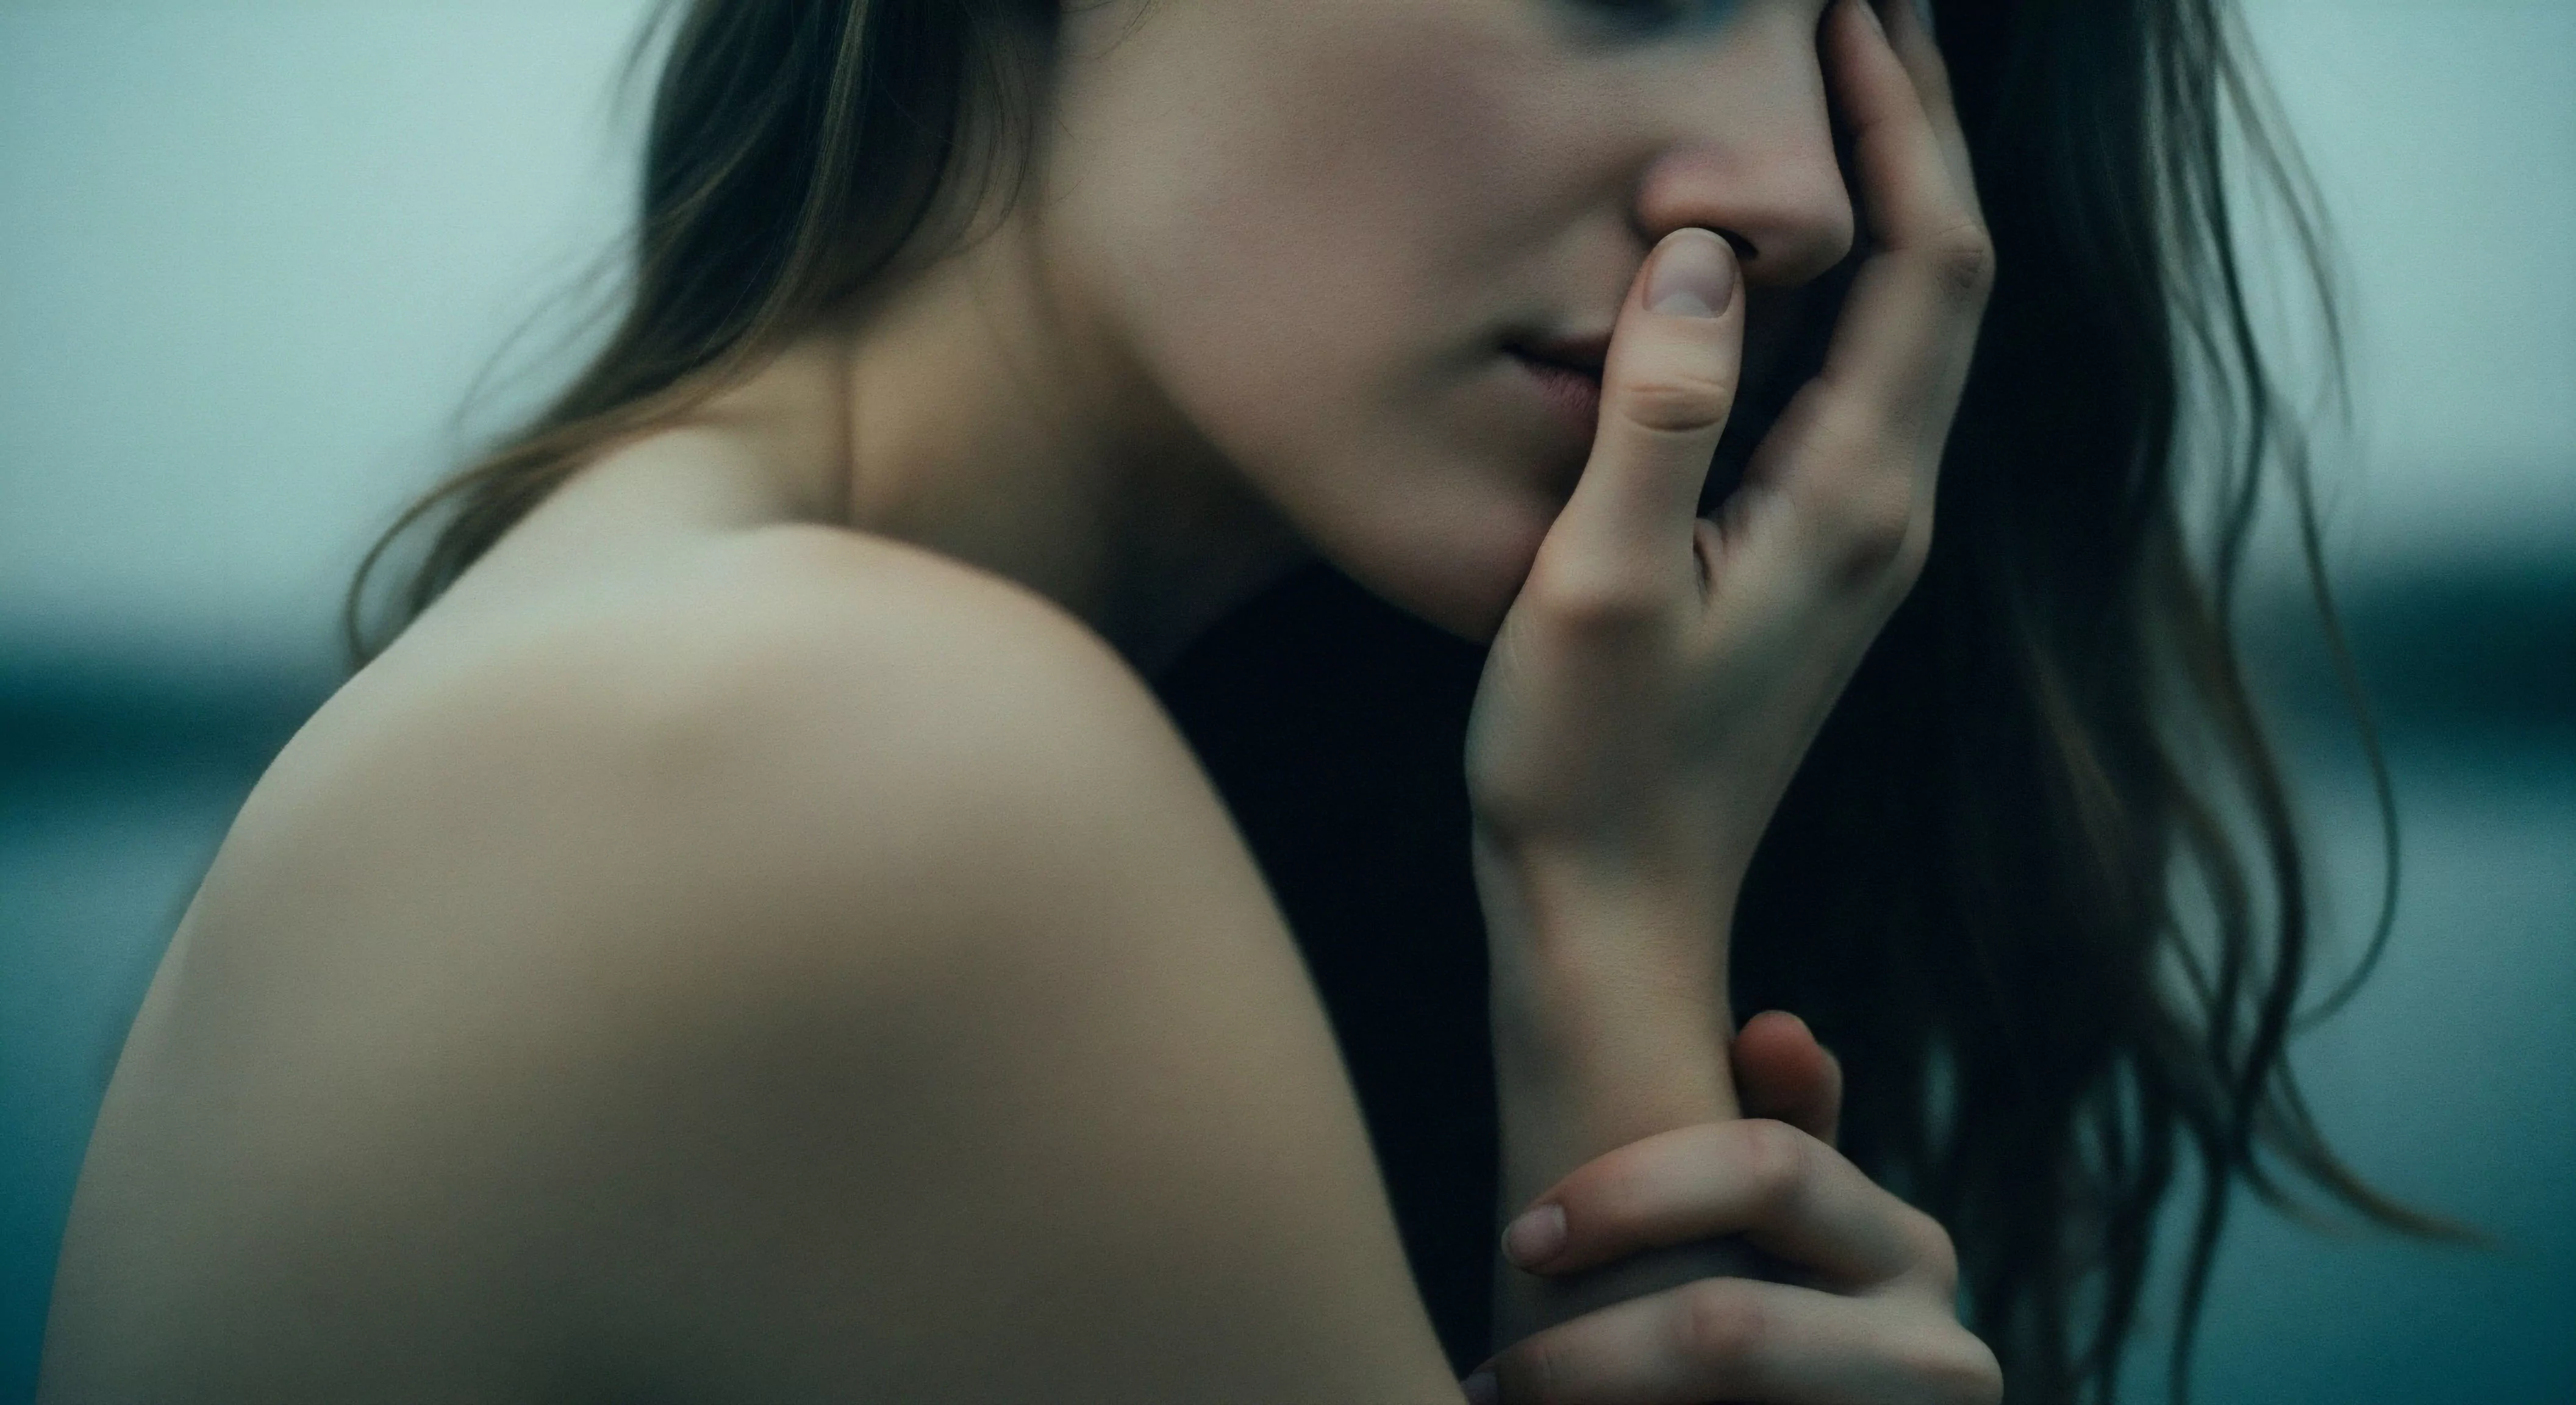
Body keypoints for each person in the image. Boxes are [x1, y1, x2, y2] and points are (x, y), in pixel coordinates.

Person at [38, 1, 2443, 1401]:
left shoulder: (703, 670)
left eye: (1856, 39)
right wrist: (1614, 928)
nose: (1805, 190)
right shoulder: (830, 760)